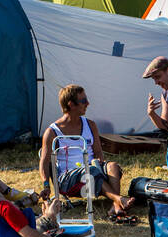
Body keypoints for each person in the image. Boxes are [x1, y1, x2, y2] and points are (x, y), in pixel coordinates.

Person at [39, 84, 135, 220]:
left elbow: (98, 153)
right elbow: (44, 162)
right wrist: (46, 185)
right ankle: (119, 199)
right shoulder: (52, 132)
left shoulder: (90, 125)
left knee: (112, 166)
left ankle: (116, 205)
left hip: (91, 169)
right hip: (68, 180)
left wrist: (100, 165)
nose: (88, 104)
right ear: (71, 104)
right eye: (83, 101)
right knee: (90, 171)